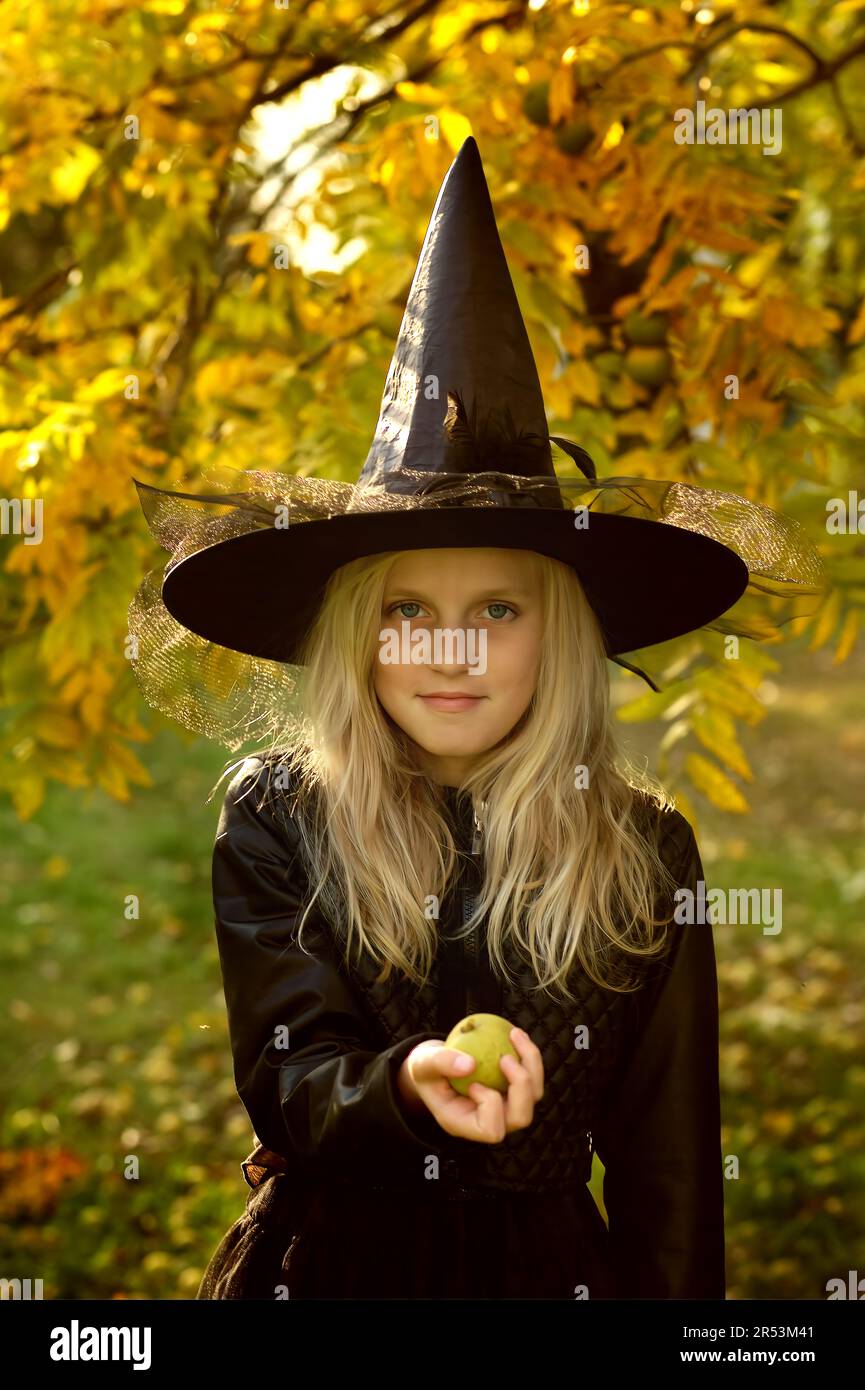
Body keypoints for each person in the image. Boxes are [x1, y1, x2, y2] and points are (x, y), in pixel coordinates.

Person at [128, 138, 824, 1300]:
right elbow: (291, 1068)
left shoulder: (644, 852)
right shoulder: (284, 815)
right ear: (358, 635)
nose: (451, 649)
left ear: (560, 633)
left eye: (497, 608)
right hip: (329, 1265)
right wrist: (407, 1085)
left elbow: (669, 1168)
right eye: (409, 609)